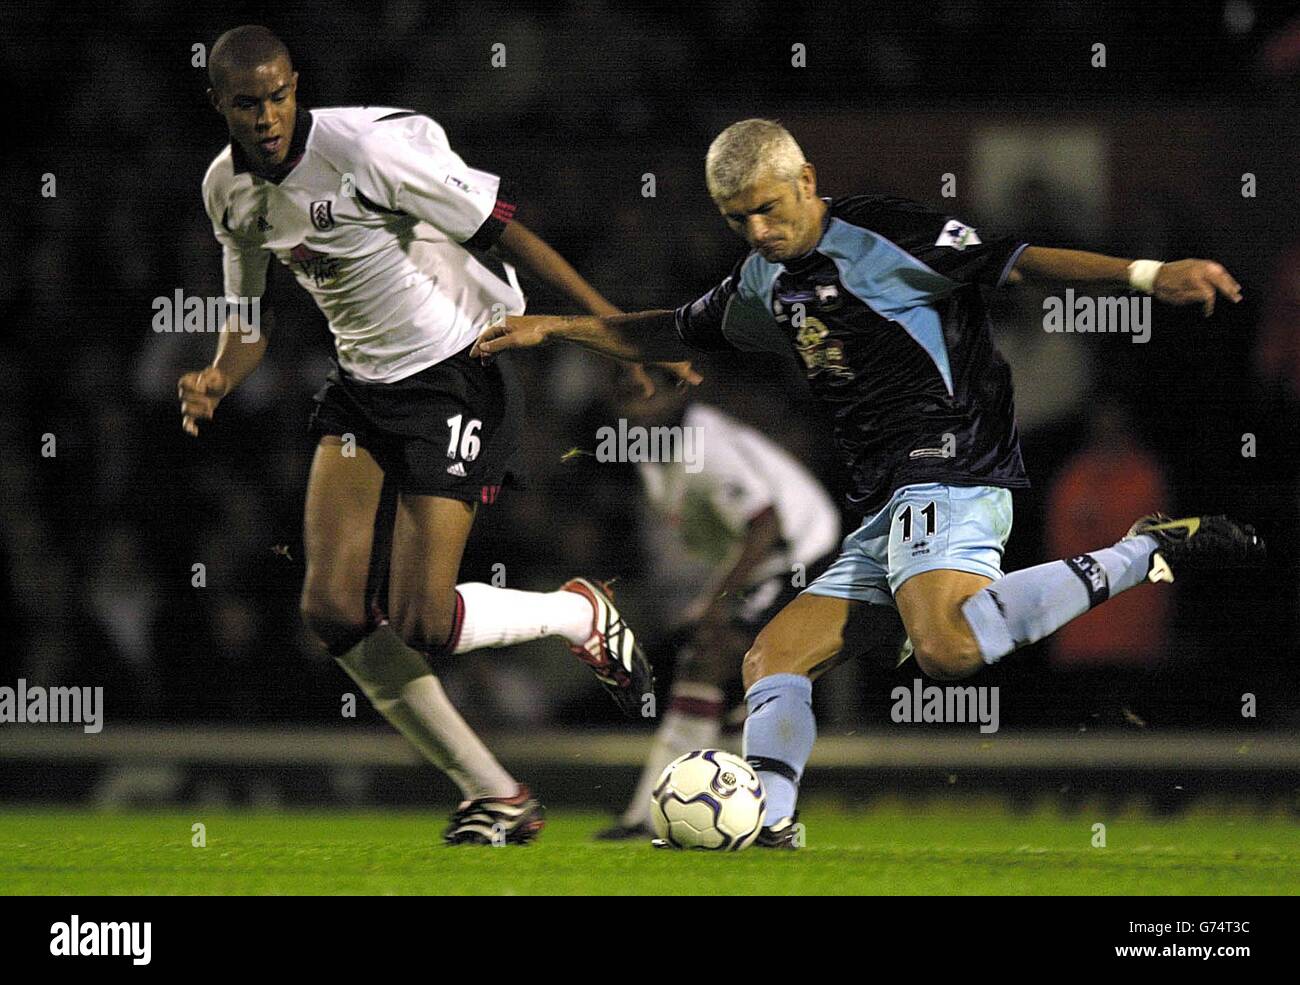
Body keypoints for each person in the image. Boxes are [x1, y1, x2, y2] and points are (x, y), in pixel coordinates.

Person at [472, 118, 1266, 847]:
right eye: (737, 218)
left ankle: (1140, 554)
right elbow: (674, 327)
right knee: (771, 659)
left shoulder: (890, 234)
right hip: (884, 501)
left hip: (953, 465)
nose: (757, 230)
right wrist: (560, 325)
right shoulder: (763, 280)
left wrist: (1146, 273)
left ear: (808, 181)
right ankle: (772, 821)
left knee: (947, 648)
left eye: (769, 208)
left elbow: (1015, 263)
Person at [179, 25, 663, 845]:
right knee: (331, 610)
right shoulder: (227, 188)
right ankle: (495, 794)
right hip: (361, 391)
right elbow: (246, 322)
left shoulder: (364, 150)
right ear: (218, 104)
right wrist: (221, 374)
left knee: (423, 622)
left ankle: (577, 614)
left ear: (298, 86)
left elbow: (505, 229)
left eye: (279, 96)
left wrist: (613, 330)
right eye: (246, 103)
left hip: (454, 376)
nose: (267, 116)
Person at [594, 370, 841, 839]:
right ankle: (669, 810)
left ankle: (754, 811)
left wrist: (715, 602)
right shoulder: (654, 451)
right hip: (769, 561)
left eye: (647, 395)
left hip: (803, 553)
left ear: (678, 393)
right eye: (627, 396)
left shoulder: (704, 447)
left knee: (730, 662)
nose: (636, 409)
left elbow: (765, 526)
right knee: (717, 668)